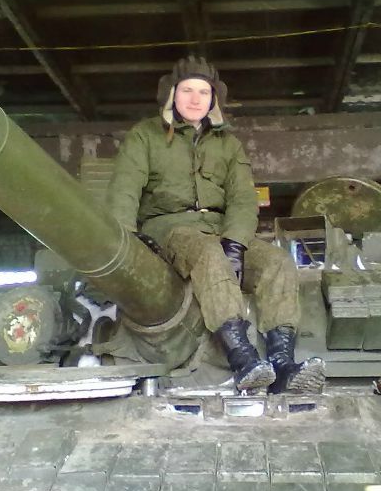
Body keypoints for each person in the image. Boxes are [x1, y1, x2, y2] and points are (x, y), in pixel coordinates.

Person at [107, 56, 324, 393]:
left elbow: (243, 198)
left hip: (221, 231)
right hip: (169, 230)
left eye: (203, 92)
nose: (195, 99)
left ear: (213, 99)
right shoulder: (145, 136)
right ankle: (242, 359)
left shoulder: (228, 144)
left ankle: (282, 365)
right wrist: (129, 238)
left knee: (277, 262)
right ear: (172, 94)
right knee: (209, 253)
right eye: (187, 90)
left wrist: (235, 242)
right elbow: (124, 188)